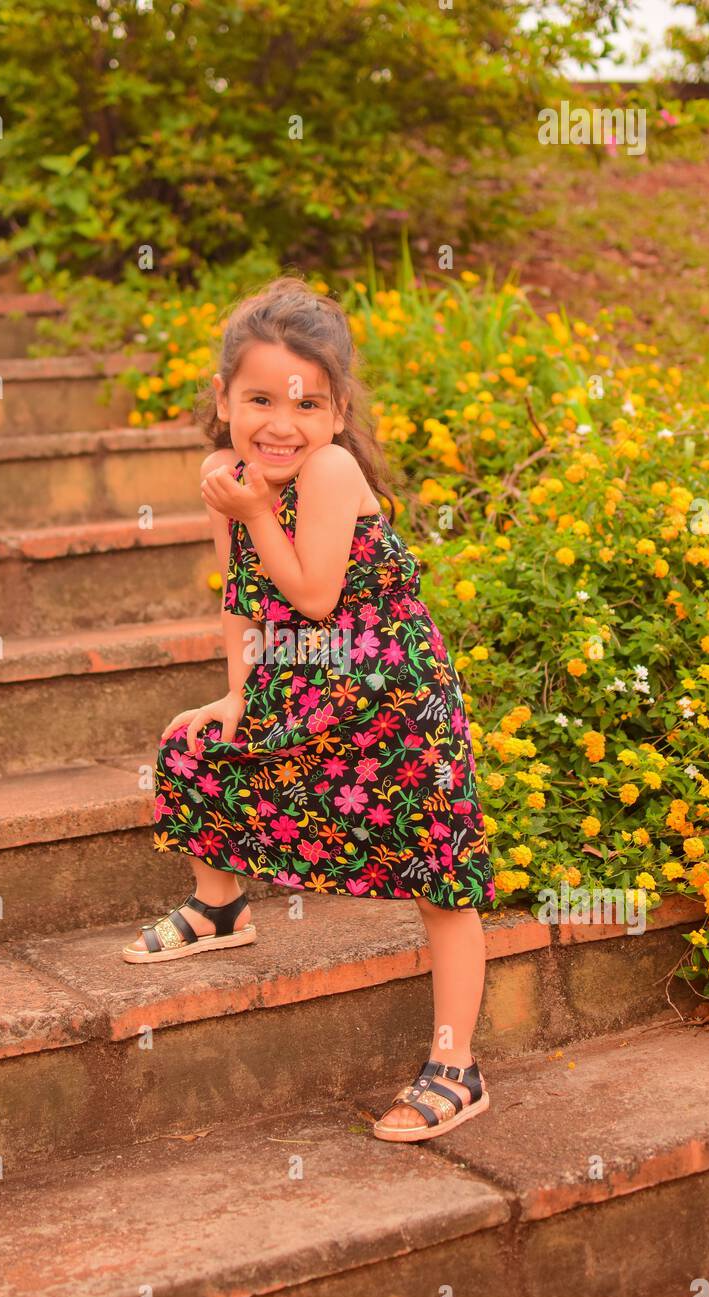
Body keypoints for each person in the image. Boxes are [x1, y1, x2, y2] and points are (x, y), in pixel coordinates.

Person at [123, 275, 495, 1143]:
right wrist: (238, 696)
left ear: (335, 415)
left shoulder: (328, 471)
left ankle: (456, 1063)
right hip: (309, 685)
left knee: (439, 872)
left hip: (396, 695)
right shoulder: (228, 476)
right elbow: (243, 601)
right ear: (224, 399)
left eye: (306, 403)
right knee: (193, 749)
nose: (280, 422)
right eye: (259, 398)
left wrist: (255, 512)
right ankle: (221, 906)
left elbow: (318, 595)